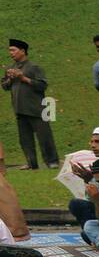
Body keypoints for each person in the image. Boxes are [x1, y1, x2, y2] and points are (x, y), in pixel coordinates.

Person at [3, 40, 58, 170]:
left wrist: (24, 78)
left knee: (45, 137)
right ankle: (31, 163)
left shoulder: (34, 67)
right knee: (25, 140)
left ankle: (52, 161)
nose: (11, 53)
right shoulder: (10, 68)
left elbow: (42, 85)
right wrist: (10, 78)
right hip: (19, 108)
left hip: (37, 108)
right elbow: (4, 86)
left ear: (22, 51)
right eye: (10, 50)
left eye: (13, 50)